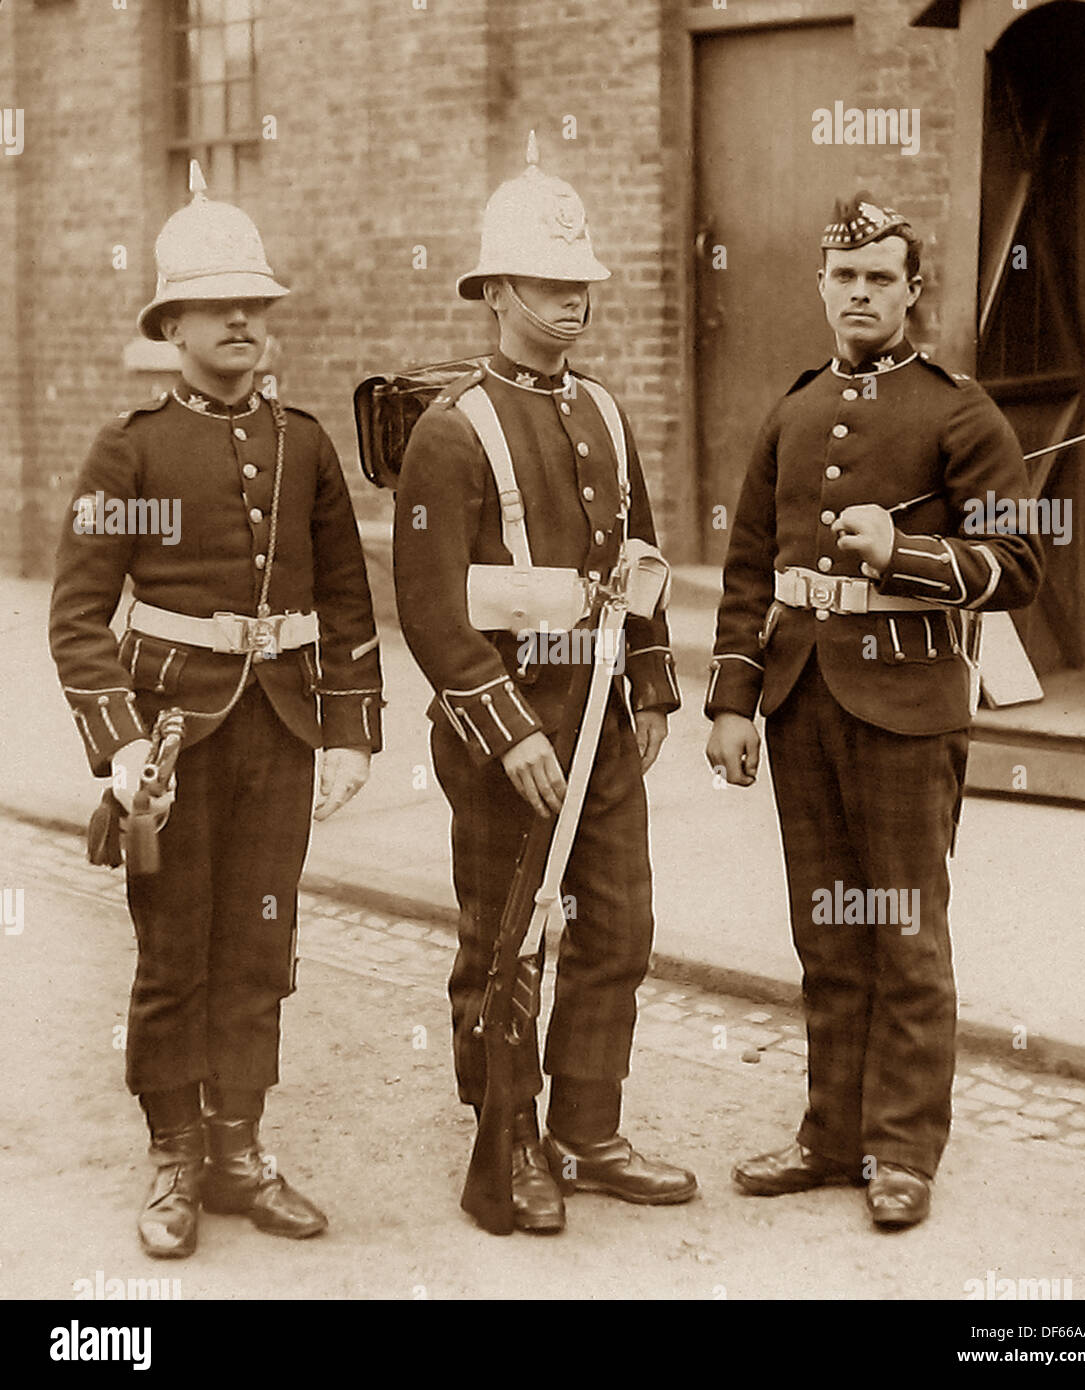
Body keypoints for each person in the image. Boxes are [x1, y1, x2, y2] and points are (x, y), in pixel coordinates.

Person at [49, 164, 383, 1258]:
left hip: (281, 732)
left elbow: (343, 595)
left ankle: (240, 1147)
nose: (243, 320)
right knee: (173, 951)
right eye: (217, 305)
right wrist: (120, 747)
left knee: (259, 944)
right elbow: (79, 617)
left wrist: (348, 731)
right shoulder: (132, 449)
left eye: (256, 304)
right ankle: (174, 1155)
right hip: (173, 745)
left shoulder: (303, 442)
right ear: (172, 323)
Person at [704, 193, 1043, 1228]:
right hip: (802, 702)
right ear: (820, 286)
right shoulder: (793, 406)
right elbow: (747, 566)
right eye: (842, 277)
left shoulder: (957, 411)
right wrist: (731, 700)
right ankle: (828, 1132)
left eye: (878, 279)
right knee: (825, 928)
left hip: (906, 706)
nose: (858, 294)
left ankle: (900, 1149)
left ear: (909, 292)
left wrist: (902, 552)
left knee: (901, 930)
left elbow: (1018, 566)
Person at [393, 134, 697, 1234]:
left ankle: (588, 1127)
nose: (572, 305)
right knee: (507, 935)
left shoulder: (603, 410)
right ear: (497, 291)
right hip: (509, 729)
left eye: (581, 286)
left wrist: (654, 681)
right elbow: (428, 606)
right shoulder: (451, 430)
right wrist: (505, 728)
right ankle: (505, 1139)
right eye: (549, 286)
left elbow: (642, 553)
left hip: (602, 718)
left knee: (618, 926)